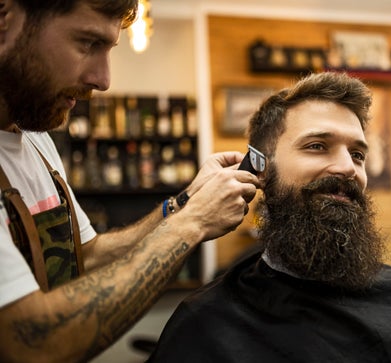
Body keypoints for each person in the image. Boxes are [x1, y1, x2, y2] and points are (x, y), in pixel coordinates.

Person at [147, 72, 391, 363]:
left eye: (358, 154)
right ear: (260, 171)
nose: (347, 168)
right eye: (317, 146)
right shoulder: (208, 322)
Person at [0, 1, 259, 362]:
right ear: (5, 18)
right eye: (88, 43)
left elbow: (86, 257)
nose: (104, 80)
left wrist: (185, 201)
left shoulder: (35, 139)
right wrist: (192, 223)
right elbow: (30, 343)